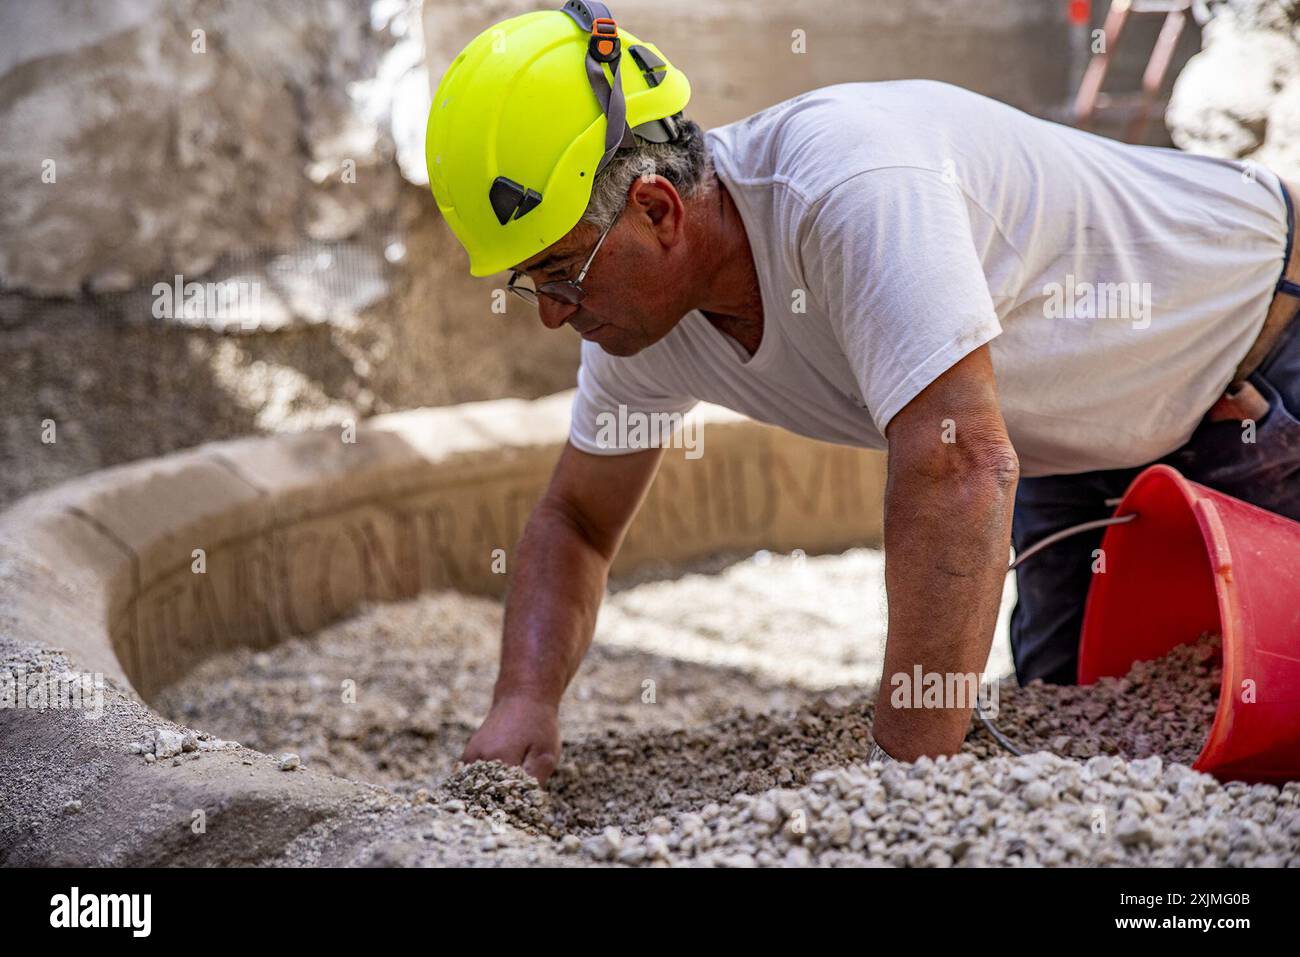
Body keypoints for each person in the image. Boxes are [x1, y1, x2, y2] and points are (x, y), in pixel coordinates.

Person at [426, 2, 1300, 779]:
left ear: (658, 210)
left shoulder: (847, 186)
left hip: (1256, 347)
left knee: (1268, 728)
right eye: (527, 284)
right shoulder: (635, 321)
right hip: (1080, 440)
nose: (550, 314)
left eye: (557, 272)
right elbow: (575, 520)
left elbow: (957, 468)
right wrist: (523, 704)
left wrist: (897, 781)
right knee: (1080, 730)